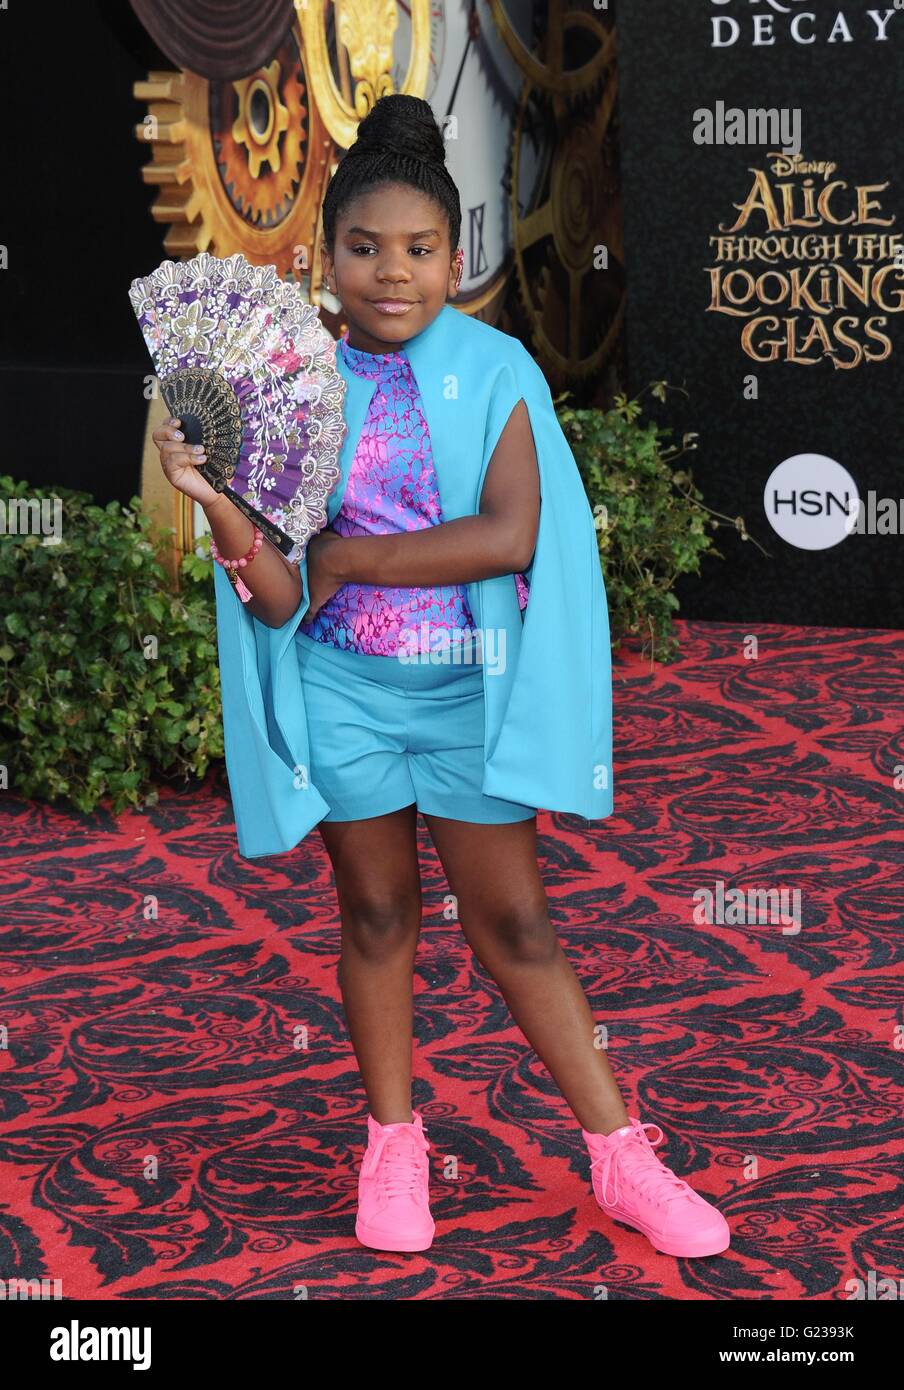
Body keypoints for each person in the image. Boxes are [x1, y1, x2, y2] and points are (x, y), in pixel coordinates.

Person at [151, 93, 729, 1261]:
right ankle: (393, 1140)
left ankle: (622, 1156)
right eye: (363, 249)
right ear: (327, 254)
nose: (391, 274)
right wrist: (216, 502)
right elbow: (277, 596)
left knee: (515, 923)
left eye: (417, 251)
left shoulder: (498, 365)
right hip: (345, 695)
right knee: (374, 914)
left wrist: (356, 553)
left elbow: (510, 533)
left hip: (469, 690)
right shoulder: (287, 384)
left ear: (454, 258)